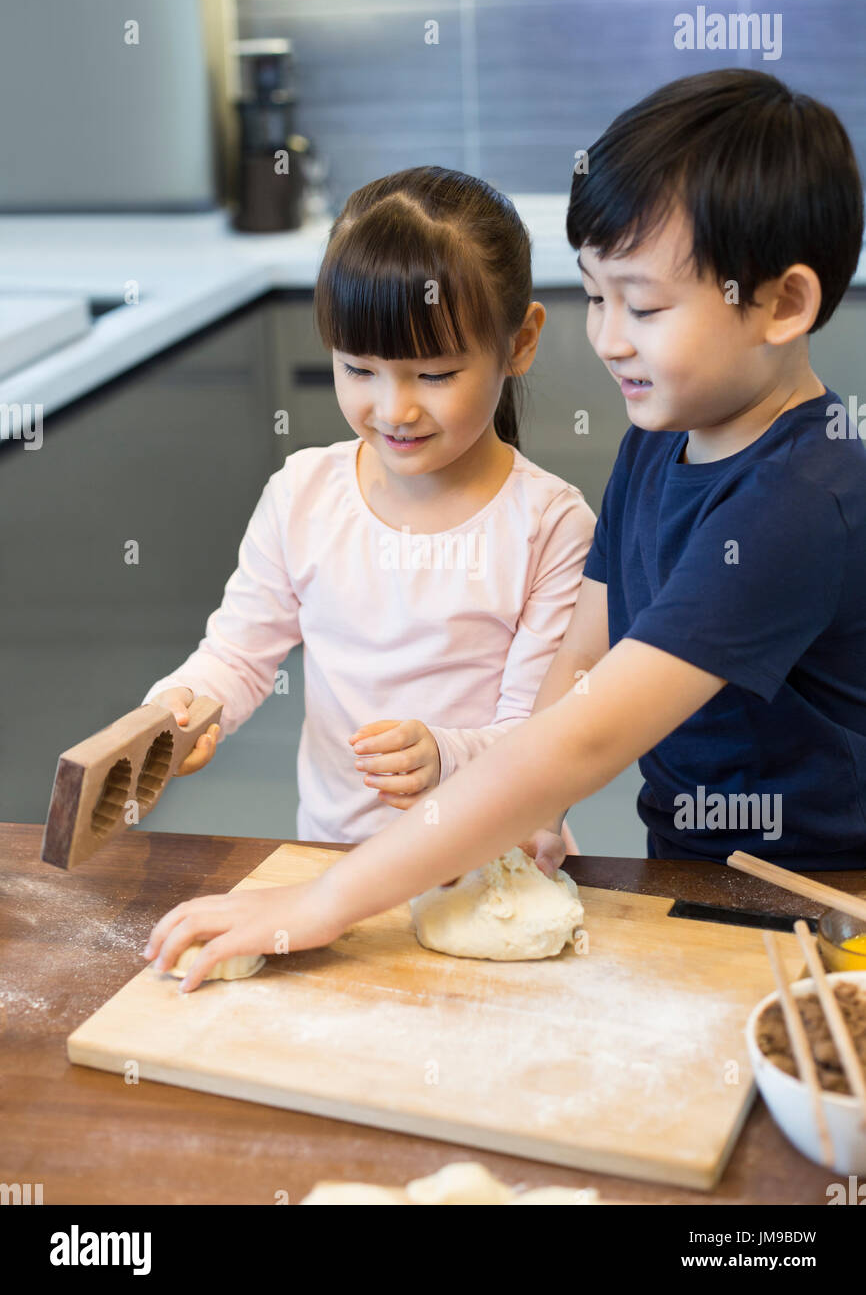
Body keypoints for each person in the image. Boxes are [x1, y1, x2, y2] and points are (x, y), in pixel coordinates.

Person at [145, 68, 866, 991]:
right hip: (693, 864)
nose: (607, 338)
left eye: (643, 307)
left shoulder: (798, 503)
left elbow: (586, 737)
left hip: (825, 897)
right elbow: (577, 665)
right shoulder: (665, 440)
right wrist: (527, 814)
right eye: (597, 297)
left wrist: (322, 903)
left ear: (783, 304)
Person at [140, 166, 596, 861]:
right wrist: (183, 707)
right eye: (358, 369)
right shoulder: (302, 496)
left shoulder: (551, 527)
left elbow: (542, 739)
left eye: (435, 374)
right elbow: (237, 654)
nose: (394, 409)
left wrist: (444, 755)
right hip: (337, 864)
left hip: (494, 868)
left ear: (521, 342)